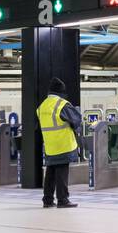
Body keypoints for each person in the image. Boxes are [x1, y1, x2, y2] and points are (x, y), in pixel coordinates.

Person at [38, 78, 82, 208]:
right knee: (62, 173)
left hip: (50, 145)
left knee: (50, 173)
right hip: (63, 144)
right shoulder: (62, 104)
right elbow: (76, 120)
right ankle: (63, 200)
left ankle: (47, 200)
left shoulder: (42, 105)